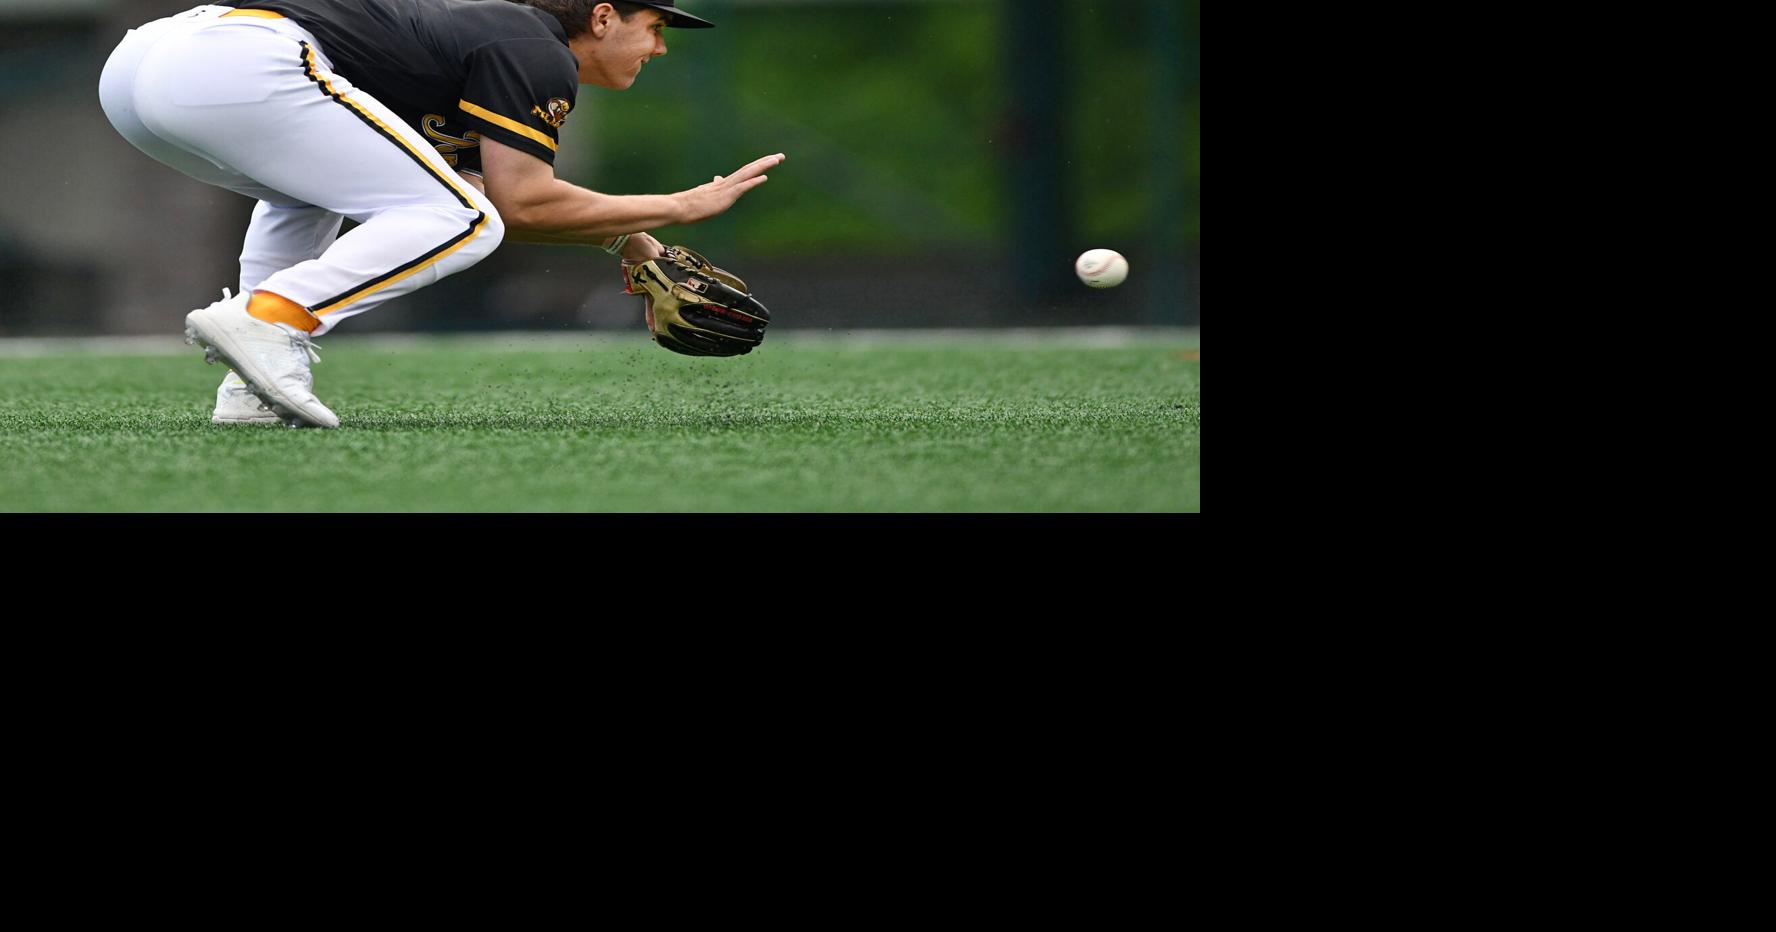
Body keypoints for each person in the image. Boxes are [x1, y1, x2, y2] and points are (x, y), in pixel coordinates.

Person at [98, 0, 784, 428]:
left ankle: (250, 385)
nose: (661, 46)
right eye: (655, 25)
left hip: (147, 70)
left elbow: (470, 182)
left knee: (322, 192)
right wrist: (684, 206)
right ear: (602, 17)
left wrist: (639, 245)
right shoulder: (537, 48)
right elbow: (516, 203)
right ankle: (271, 318)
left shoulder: (497, 41)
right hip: (236, 60)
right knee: (470, 223)